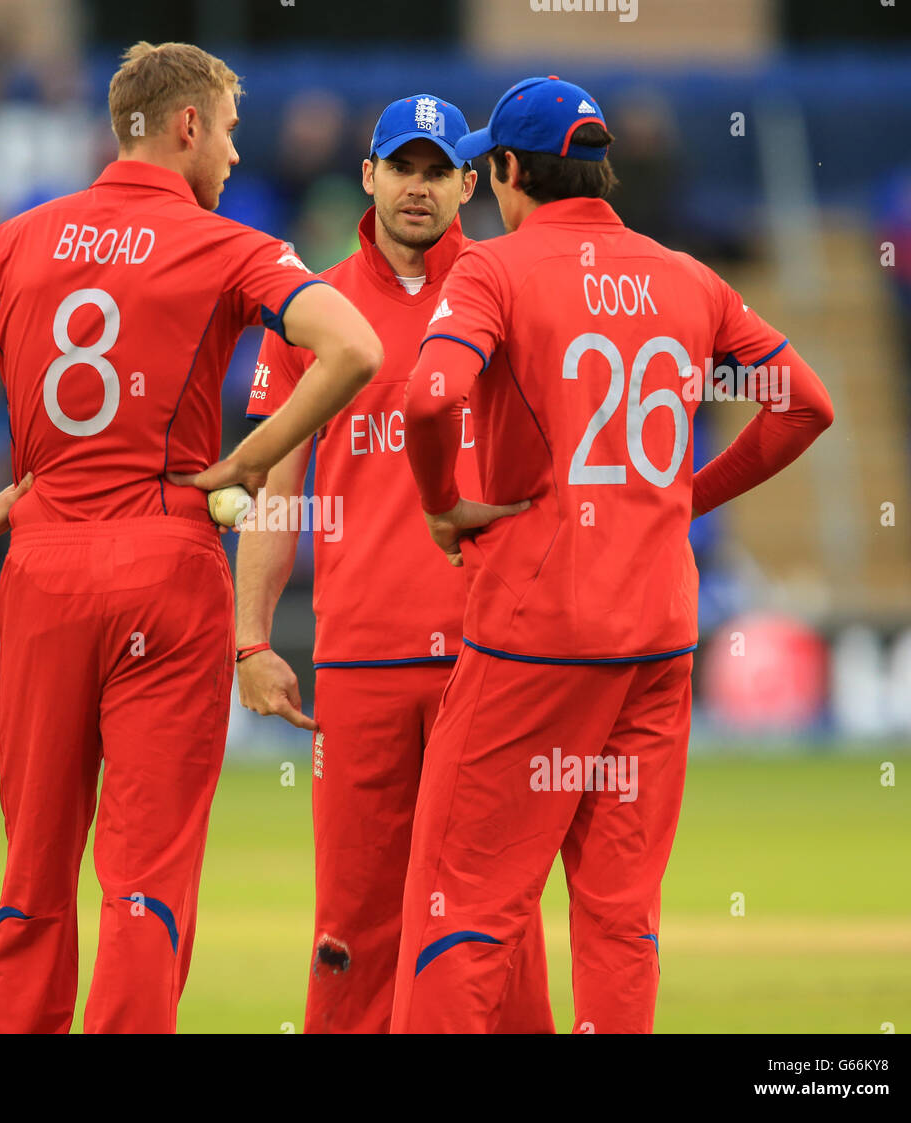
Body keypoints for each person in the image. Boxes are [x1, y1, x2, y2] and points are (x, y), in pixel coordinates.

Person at [0, 41, 382, 1034]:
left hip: (42, 565)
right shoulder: (234, 248)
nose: (231, 155)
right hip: (167, 564)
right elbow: (354, 346)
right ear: (186, 127)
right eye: (226, 132)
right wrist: (251, 455)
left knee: (32, 868)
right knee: (146, 876)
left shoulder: (15, 241)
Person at [394, 76, 834, 1033]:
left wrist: (442, 507)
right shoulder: (689, 277)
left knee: (460, 908)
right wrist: (683, 502)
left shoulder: (494, 271)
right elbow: (806, 404)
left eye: (485, 168)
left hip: (533, 636)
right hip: (659, 639)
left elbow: (429, 398)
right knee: (620, 919)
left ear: (506, 171)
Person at [238, 94, 553, 1034]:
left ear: (470, 181)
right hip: (361, 663)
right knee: (354, 924)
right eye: (401, 168)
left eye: (438, 170)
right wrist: (249, 636)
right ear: (368, 176)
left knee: (497, 921)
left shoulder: (512, 292)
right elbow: (275, 487)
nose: (418, 189)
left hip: (490, 659)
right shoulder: (310, 313)